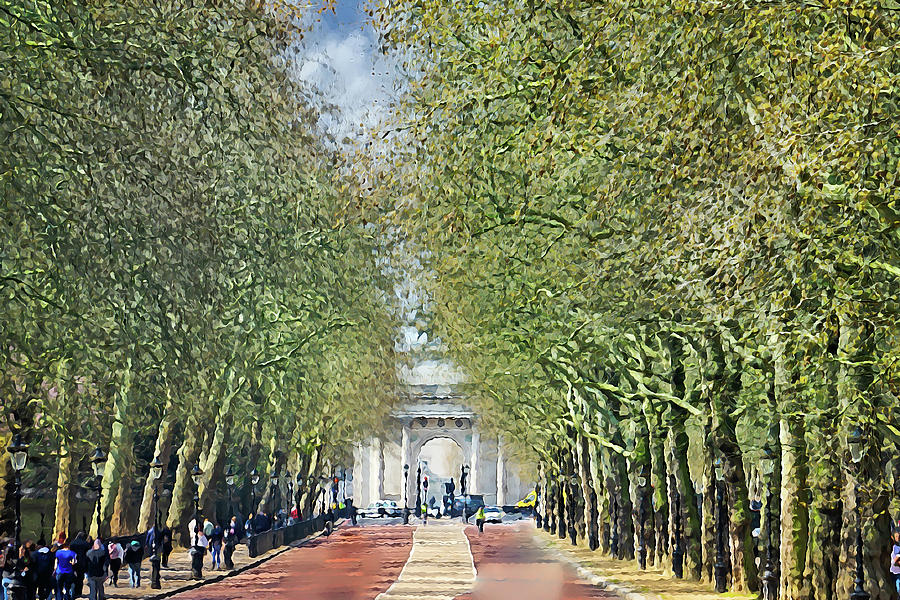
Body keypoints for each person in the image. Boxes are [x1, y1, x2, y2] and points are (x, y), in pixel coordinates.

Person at [68, 532, 90, 599]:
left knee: (73, 577)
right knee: (80, 578)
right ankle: (79, 592)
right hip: (82, 563)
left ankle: (73, 592)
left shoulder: (72, 543)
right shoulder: (85, 544)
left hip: (73, 562)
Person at [891, 529, 900, 599]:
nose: (898, 538)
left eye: (899, 536)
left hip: (898, 573)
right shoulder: (892, 547)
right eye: (896, 536)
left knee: (898, 587)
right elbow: (894, 561)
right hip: (891, 572)